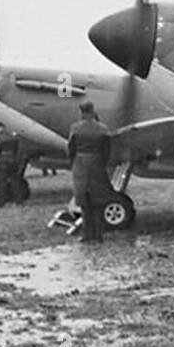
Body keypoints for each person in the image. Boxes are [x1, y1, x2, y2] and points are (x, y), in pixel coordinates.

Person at [68, 101, 113, 243]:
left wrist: (74, 164)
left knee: (84, 203)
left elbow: (71, 150)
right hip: (97, 165)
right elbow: (107, 151)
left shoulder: (75, 128)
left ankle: (86, 234)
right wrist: (101, 163)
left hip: (80, 166)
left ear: (81, 112)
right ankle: (99, 235)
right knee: (98, 202)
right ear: (93, 111)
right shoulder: (103, 129)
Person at [0, 123, 22, 206]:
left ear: (1, 128)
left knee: (2, 183)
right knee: (15, 182)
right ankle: (18, 201)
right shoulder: (14, 138)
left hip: (3, 161)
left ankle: (0, 203)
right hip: (13, 161)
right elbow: (17, 150)